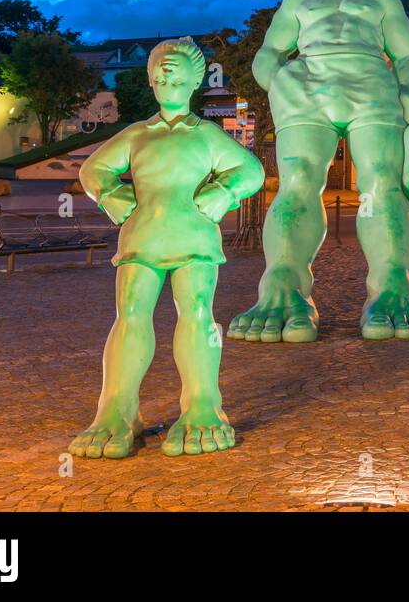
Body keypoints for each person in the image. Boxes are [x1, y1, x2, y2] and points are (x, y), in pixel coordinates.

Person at [228, 0, 409, 343]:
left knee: (382, 184)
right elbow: (269, 53)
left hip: (371, 87)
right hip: (307, 88)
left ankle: (394, 286)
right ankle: (282, 287)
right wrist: (282, 82)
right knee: (298, 182)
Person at [71, 38, 264, 458]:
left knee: (196, 315)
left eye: (173, 67)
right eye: (158, 69)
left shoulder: (207, 135)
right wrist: (111, 196)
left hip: (194, 240)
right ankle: (116, 408)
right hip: (141, 240)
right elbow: (93, 168)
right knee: (130, 317)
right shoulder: (137, 135)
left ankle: (202, 405)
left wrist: (224, 192)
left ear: (196, 79)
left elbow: (251, 169)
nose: (164, 75)